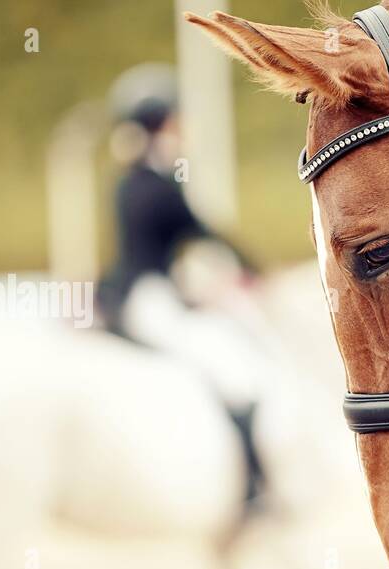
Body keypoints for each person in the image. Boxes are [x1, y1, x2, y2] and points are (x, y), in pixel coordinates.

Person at [96, 63, 267, 506]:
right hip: (148, 296)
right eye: (177, 118)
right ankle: (251, 480)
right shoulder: (155, 182)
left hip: (147, 290)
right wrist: (254, 269)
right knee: (224, 369)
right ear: (163, 123)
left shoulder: (134, 179)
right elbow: (199, 231)